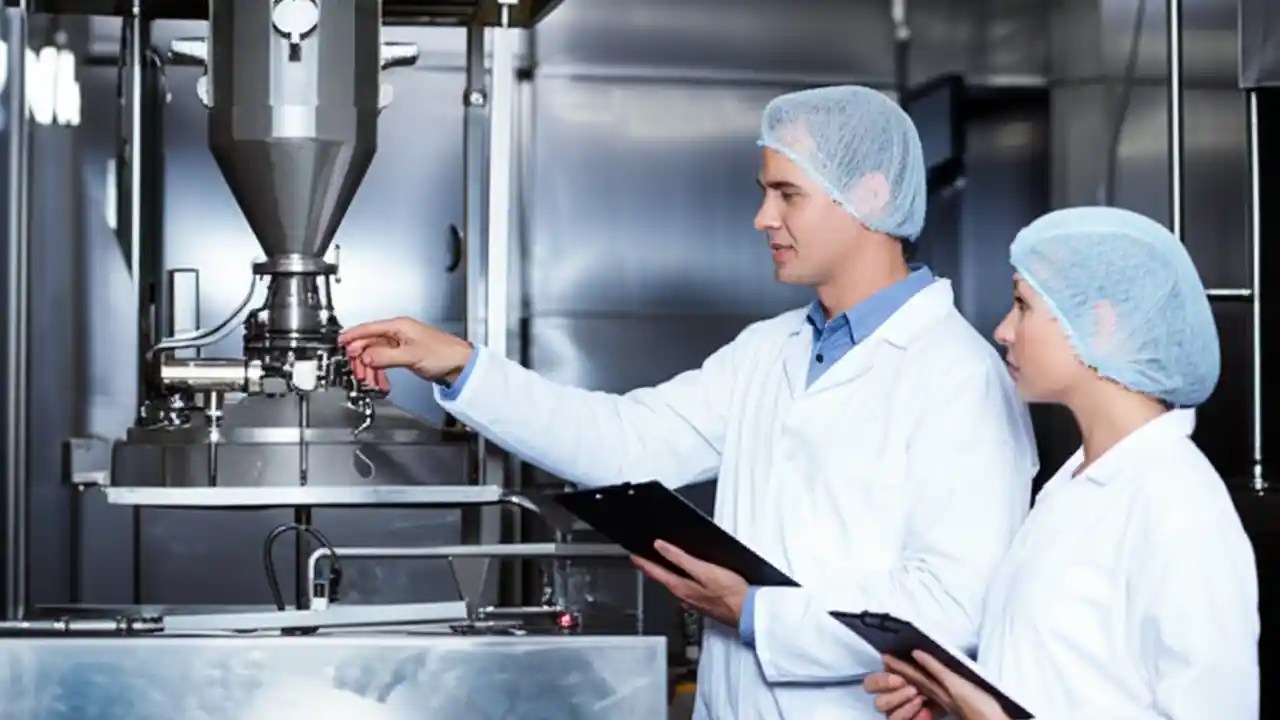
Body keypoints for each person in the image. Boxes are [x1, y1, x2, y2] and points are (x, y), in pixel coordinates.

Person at [339, 85, 1039, 718]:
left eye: (787, 194)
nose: (763, 217)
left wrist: (757, 613)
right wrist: (462, 366)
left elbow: (956, 606)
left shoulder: (958, 376)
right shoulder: (769, 351)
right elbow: (621, 441)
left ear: (873, 195)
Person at [863, 206, 1260, 720]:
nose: (1004, 330)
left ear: (1097, 322)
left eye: (1022, 305)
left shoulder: (1178, 504)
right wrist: (956, 701)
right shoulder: (1074, 485)